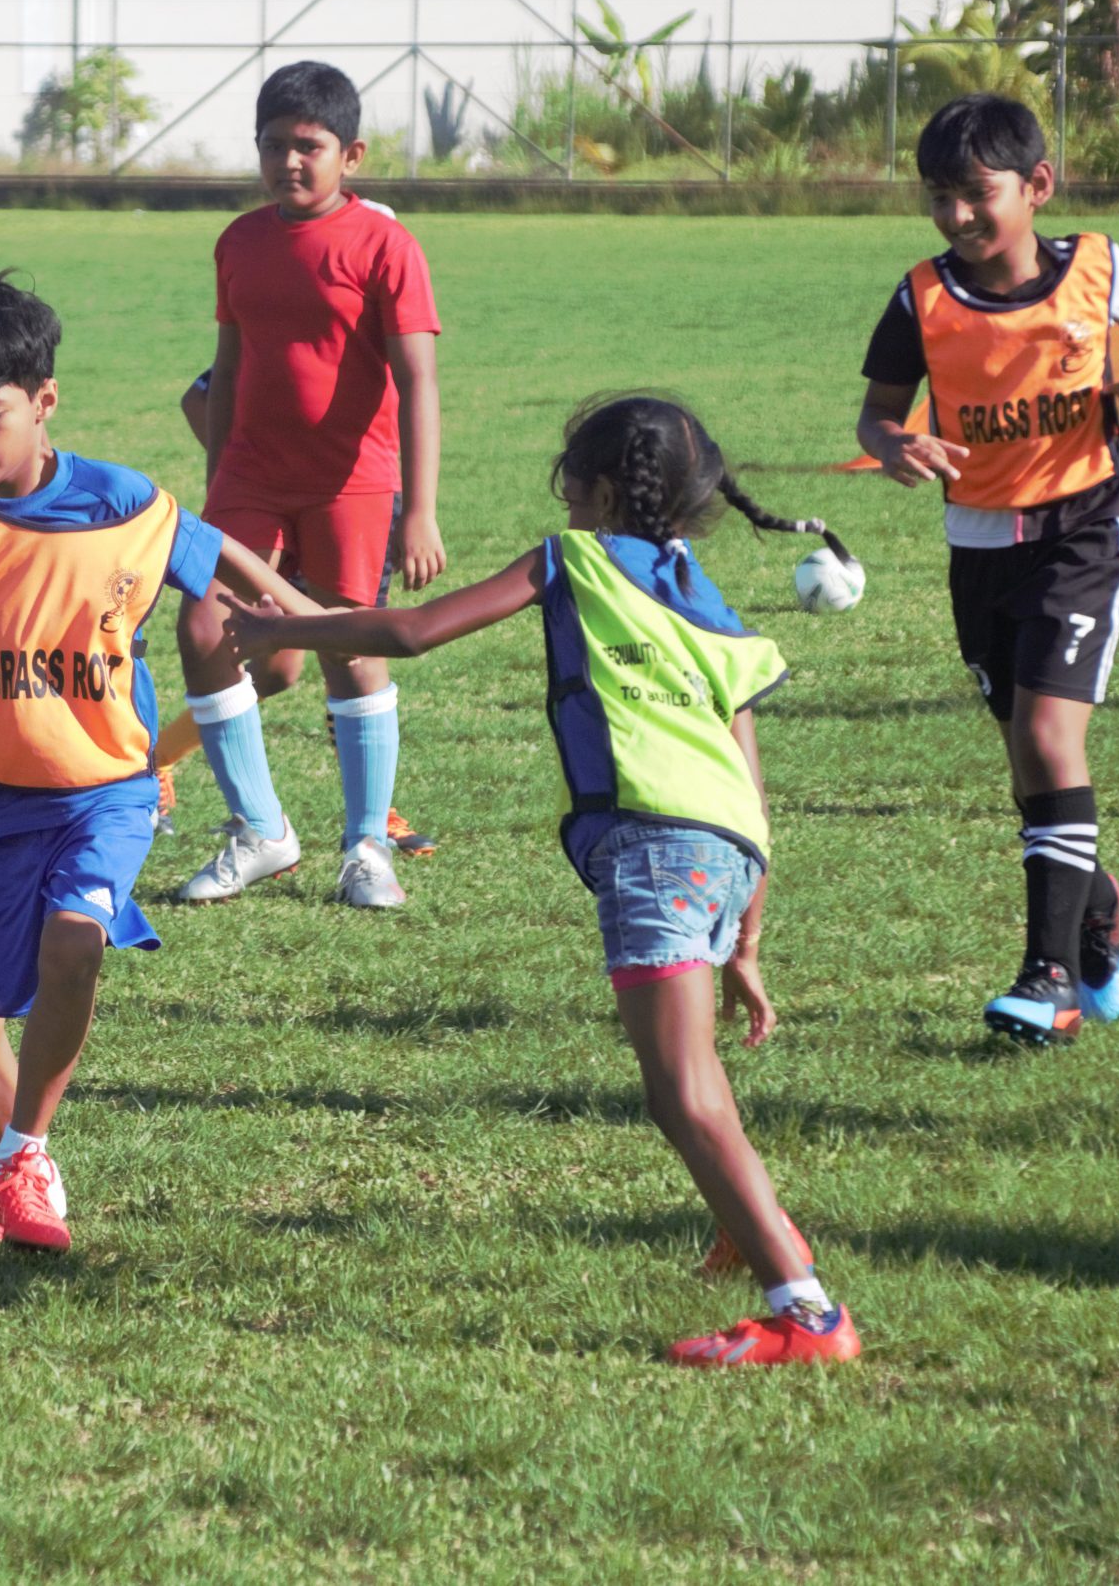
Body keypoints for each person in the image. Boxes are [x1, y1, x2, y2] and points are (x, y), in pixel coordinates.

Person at [225, 393, 859, 1367]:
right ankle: (750, 1228)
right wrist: (746, 938)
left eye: (568, 478)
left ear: (599, 491)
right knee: (694, 1076)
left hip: (653, 846)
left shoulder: (572, 558)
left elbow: (414, 632)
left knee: (680, 1093)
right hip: (727, 850)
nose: (560, 494)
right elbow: (749, 779)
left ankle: (806, 1313)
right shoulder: (708, 599)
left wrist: (282, 637)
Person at [0, 278, 322, 1252]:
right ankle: (22, 1173)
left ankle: (22, 1154)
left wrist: (307, 613)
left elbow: (216, 552)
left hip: (106, 793)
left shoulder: (124, 503)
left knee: (75, 940)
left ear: (44, 400)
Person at [856, 92, 1119, 1044]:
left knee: (1048, 735)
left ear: (1037, 185)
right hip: (978, 550)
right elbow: (878, 413)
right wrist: (895, 445)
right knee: (1028, 763)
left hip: (1084, 527)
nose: (956, 215)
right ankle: (1092, 903)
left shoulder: (1097, 267)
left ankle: (1051, 981)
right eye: (939, 197)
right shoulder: (921, 297)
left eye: (976, 193)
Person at [173, 60, 445, 910]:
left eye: (308, 146)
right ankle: (261, 830)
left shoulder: (386, 246)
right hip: (251, 474)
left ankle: (367, 847)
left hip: (350, 482)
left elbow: (419, 382)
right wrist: (219, 478)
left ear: (350, 154)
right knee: (203, 625)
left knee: (347, 651)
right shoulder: (239, 241)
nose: (288, 161)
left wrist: (420, 511)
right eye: (272, 145)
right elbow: (227, 366)